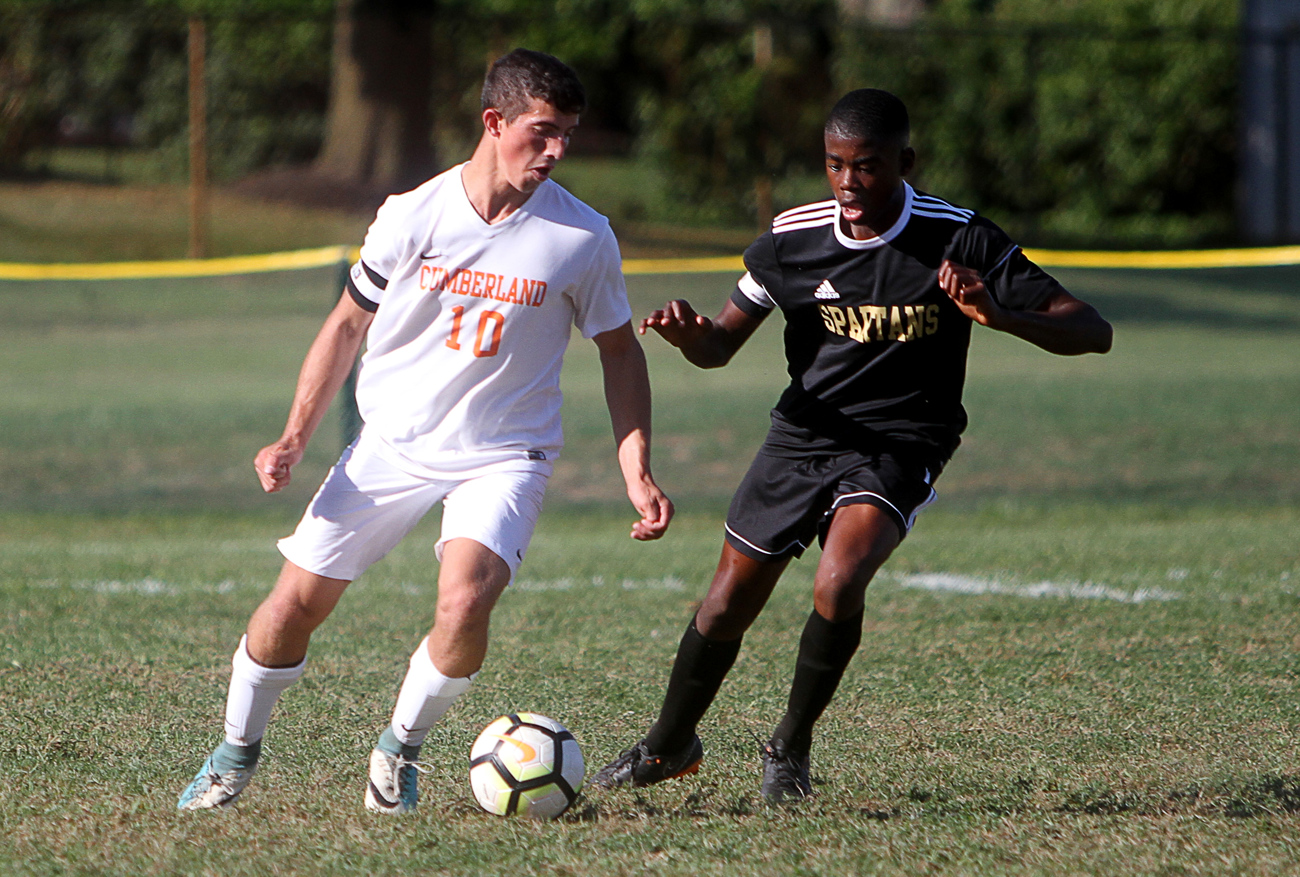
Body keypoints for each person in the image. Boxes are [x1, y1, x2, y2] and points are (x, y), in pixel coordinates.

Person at [178, 49, 673, 814]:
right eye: (542, 133)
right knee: (289, 610)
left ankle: (398, 749)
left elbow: (619, 349)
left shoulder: (583, 236)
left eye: (568, 135)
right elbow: (346, 324)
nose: (557, 152)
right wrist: (292, 437)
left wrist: (635, 467)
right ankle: (233, 756)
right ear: (494, 122)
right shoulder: (413, 213)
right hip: (393, 443)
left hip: (507, 454)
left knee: (465, 599)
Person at [592, 88, 1112, 803]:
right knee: (723, 604)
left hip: (903, 438)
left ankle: (789, 746)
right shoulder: (794, 238)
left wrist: (997, 312)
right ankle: (668, 744)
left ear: (906, 161)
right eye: (835, 166)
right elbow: (719, 344)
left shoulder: (958, 236)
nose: (849, 184)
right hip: (805, 432)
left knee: (839, 579)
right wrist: (691, 336)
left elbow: (1092, 330)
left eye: (866, 166)